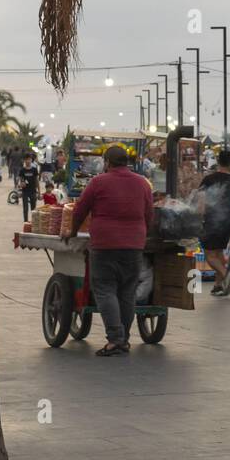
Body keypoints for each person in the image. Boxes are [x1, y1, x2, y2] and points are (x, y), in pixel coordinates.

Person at [67, 145, 154, 356]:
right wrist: (142, 235)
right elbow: (149, 214)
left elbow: (80, 210)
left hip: (105, 245)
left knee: (105, 289)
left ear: (107, 162)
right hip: (134, 245)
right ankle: (123, 339)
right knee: (127, 291)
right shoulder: (142, 183)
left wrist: (72, 231)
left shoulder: (98, 182)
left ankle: (115, 339)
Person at [193, 149, 230, 296]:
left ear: (218, 160)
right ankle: (218, 285)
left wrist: (199, 216)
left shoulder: (209, 179)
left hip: (211, 220)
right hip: (227, 220)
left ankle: (226, 275)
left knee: (209, 254)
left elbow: (201, 201)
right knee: (219, 252)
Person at [17, 152, 40, 222]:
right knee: (25, 208)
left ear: (31, 160)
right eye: (26, 159)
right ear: (24, 160)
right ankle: (26, 222)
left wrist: (39, 192)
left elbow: (37, 181)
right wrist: (21, 186)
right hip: (25, 192)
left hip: (33, 191)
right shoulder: (22, 170)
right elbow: (21, 181)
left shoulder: (34, 169)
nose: (28, 161)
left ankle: (33, 222)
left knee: (33, 208)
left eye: (29, 159)